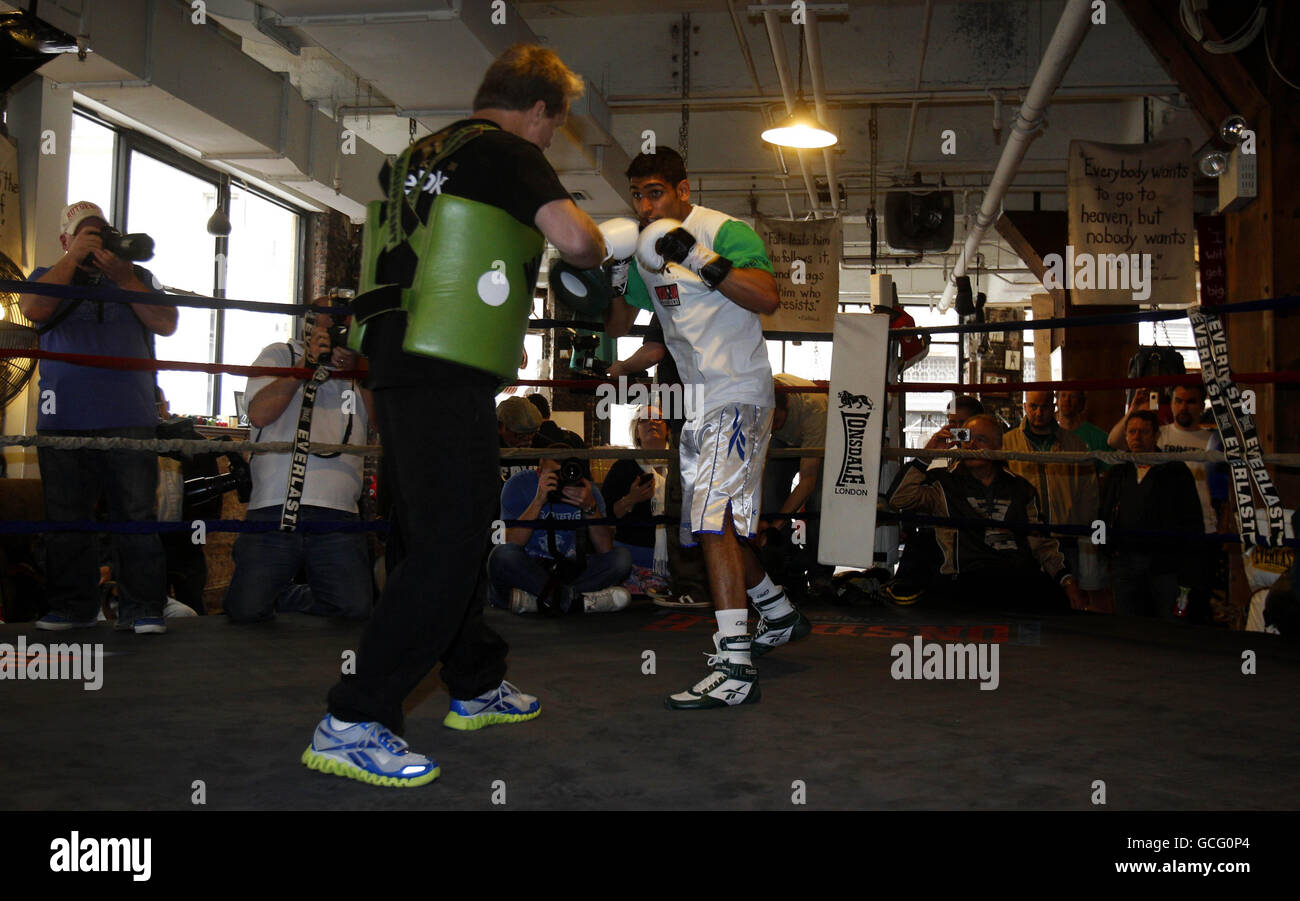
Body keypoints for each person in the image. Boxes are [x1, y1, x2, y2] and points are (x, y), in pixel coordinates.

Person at [303, 44, 609, 786]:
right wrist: (601, 242)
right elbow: (574, 239)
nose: (546, 140)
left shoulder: (418, 153)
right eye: (551, 127)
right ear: (538, 109)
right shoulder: (505, 151)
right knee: (450, 539)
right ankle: (355, 716)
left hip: (400, 360)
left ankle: (471, 680)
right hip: (448, 367)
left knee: (430, 534)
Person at [603, 147, 808, 710]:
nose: (644, 206)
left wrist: (699, 258)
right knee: (710, 520)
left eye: (654, 193)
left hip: (737, 392)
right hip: (697, 403)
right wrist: (620, 273)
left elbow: (767, 296)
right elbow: (625, 325)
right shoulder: (646, 250)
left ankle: (735, 663)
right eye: (638, 195)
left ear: (683, 190)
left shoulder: (724, 231)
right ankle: (778, 611)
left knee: (714, 518)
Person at [19, 201, 177, 634]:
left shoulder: (136, 278)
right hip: (63, 418)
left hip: (129, 417)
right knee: (66, 517)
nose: (96, 242)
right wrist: (72, 262)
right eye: (85, 235)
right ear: (65, 240)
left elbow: (166, 322)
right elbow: (33, 310)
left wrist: (124, 278)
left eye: (102, 234)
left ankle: (143, 608)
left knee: (135, 515)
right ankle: (73, 607)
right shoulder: (45, 277)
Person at [223, 306, 374, 623]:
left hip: (339, 511)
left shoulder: (361, 368)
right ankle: (279, 593)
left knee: (355, 609)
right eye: (327, 317)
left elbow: (384, 423)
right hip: (276, 504)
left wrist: (360, 371)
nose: (336, 325)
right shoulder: (280, 353)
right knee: (246, 611)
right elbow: (260, 413)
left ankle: (289, 595)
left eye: (343, 318)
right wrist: (303, 367)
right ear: (308, 321)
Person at [888, 415, 1085, 611]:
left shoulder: (1020, 488)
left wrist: (1066, 580)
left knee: (1056, 605)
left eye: (981, 439)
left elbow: (1041, 543)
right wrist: (926, 455)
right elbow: (898, 499)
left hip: (1015, 579)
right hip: (965, 580)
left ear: (997, 446)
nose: (972, 444)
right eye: (967, 438)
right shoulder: (943, 484)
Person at [490, 451, 632, 614]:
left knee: (622, 559)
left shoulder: (588, 491)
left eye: (567, 470)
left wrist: (590, 507)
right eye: (555, 472)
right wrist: (538, 501)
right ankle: (576, 602)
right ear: (540, 467)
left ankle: (538, 601)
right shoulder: (518, 484)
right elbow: (508, 543)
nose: (561, 477)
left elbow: (605, 549)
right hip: (529, 568)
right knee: (501, 556)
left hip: (569, 569)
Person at [1099, 410, 1205, 619]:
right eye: (1132, 432)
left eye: (1144, 432)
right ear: (1126, 435)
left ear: (1156, 435)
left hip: (1164, 565)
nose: (1137, 437)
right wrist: (1105, 548)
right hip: (1125, 562)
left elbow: (1191, 520)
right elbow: (1102, 512)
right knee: (1127, 624)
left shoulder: (1175, 471)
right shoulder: (1118, 472)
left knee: (1166, 625)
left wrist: (1188, 570)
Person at [1003, 391, 1100, 606]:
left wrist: (1082, 531)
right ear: (1025, 406)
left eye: (1044, 407)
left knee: (1068, 606)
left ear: (1053, 406)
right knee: (1025, 605)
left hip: (1065, 537)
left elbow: (1089, 494)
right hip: (1023, 541)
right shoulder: (1006, 443)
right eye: (1033, 406)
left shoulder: (1075, 445)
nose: (1038, 413)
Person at [762, 373, 832, 601]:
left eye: (777, 421)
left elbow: (808, 480)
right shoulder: (757, 403)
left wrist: (776, 524)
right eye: (768, 423)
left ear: (788, 405)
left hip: (820, 438)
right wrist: (766, 521)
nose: (773, 426)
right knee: (769, 493)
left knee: (818, 504)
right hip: (783, 440)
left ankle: (820, 573)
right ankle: (783, 564)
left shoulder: (814, 407)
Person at [602, 405, 673, 596]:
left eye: (658, 419)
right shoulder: (623, 466)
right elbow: (606, 515)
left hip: (675, 552)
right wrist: (630, 500)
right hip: (633, 552)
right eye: (644, 420)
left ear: (667, 429)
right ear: (637, 432)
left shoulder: (681, 463)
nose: (652, 422)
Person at [497, 396, 543, 482]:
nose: (527, 439)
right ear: (500, 427)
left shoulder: (545, 446)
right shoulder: (486, 450)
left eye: (531, 433)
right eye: (519, 435)